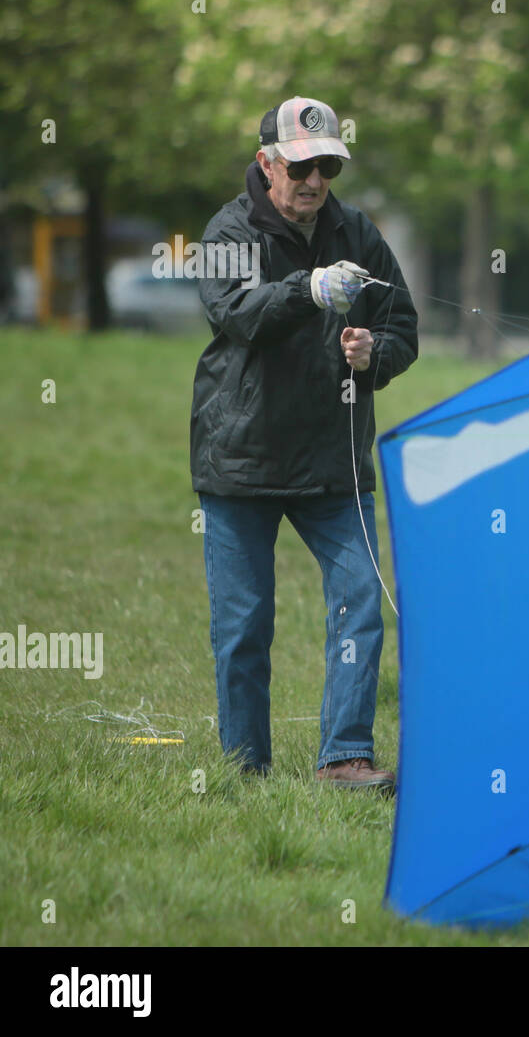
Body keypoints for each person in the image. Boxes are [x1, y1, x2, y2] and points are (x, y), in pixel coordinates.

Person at [190, 95, 418, 791]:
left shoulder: (357, 231)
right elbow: (236, 315)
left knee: (360, 602)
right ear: (266, 162)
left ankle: (344, 756)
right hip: (240, 458)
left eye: (327, 167)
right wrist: (309, 289)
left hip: (333, 461)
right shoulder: (228, 230)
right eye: (301, 166)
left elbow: (403, 327)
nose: (315, 181)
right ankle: (244, 769)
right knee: (245, 623)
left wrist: (371, 351)